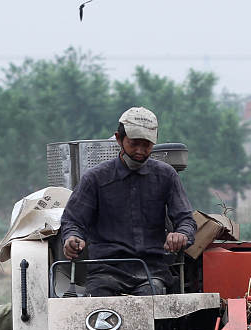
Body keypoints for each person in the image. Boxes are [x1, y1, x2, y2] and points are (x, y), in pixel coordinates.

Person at [59, 106, 196, 296]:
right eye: (134, 144)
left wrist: (181, 234)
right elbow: (73, 221)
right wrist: (72, 238)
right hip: (105, 270)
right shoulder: (95, 179)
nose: (140, 151)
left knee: (152, 297)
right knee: (99, 306)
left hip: (152, 270)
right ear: (118, 139)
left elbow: (186, 220)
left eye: (146, 145)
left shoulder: (166, 176)